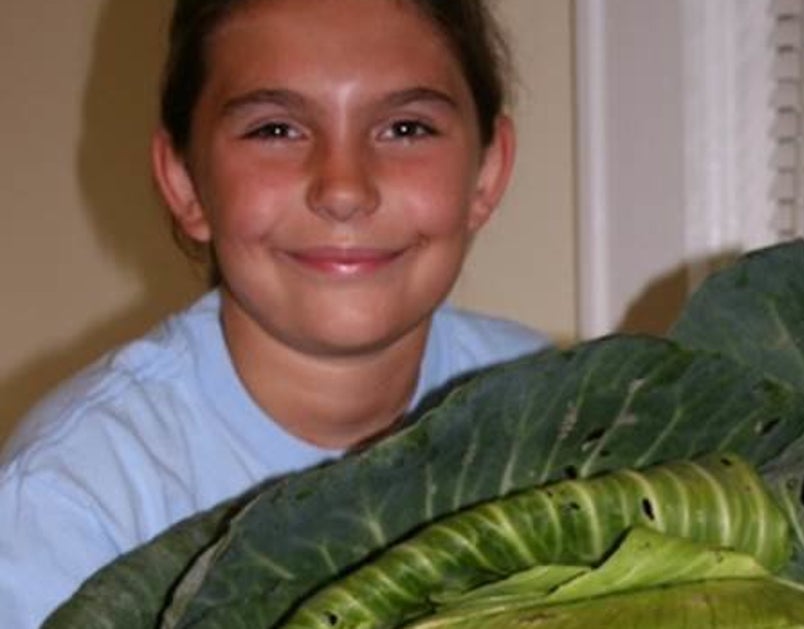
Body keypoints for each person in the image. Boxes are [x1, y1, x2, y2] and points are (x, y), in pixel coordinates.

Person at [0, 0, 550, 625]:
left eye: (405, 128)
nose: (343, 189)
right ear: (184, 181)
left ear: (487, 171)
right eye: (276, 130)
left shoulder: (562, 414)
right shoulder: (72, 502)